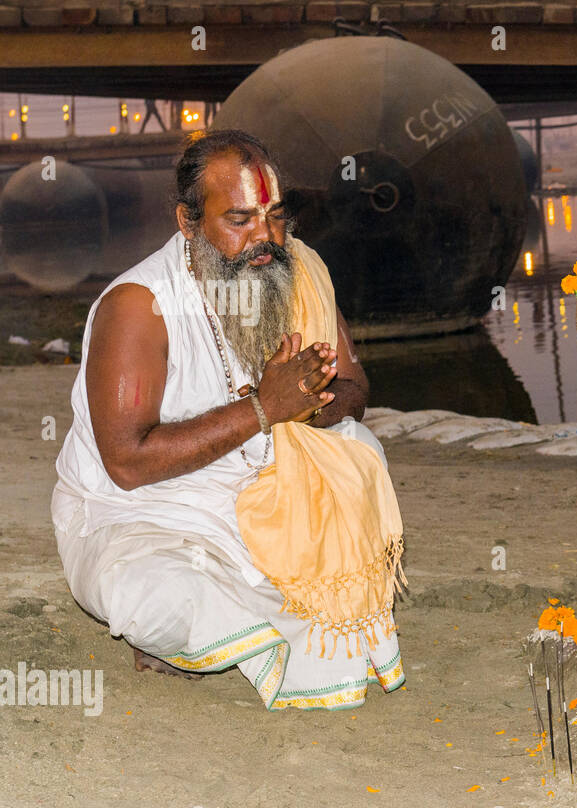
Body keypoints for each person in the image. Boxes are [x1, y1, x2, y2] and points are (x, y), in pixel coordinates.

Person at [51, 129, 406, 710]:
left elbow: (355, 386)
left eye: (275, 215)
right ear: (188, 223)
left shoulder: (300, 270)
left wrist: (314, 407)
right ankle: (185, 631)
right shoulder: (138, 306)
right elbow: (126, 462)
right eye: (239, 220)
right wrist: (265, 409)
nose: (265, 237)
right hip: (143, 518)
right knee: (163, 594)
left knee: (357, 445)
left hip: (262, 500)